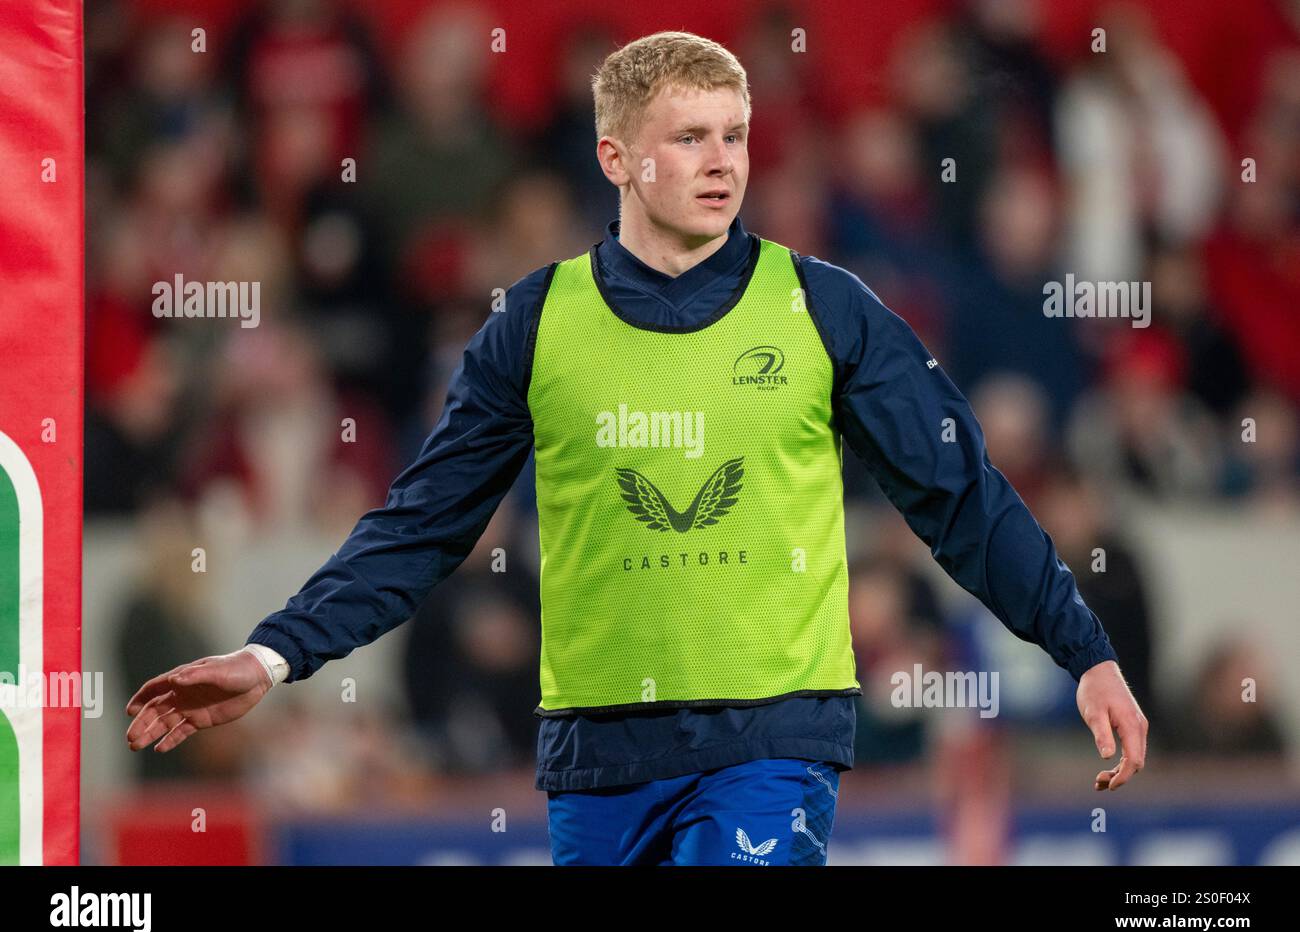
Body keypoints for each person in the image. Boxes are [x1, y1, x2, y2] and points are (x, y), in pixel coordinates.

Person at [126, 30, 1147, 866]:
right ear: (616, 158)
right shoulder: (534, 326)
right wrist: (275, 651)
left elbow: (960, 498)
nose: (722, 162)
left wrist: (1081, 647)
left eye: (736, 136)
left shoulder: (825, 310)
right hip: (595, 753)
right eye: (691, 137)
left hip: (771, 739)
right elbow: (420, 525)